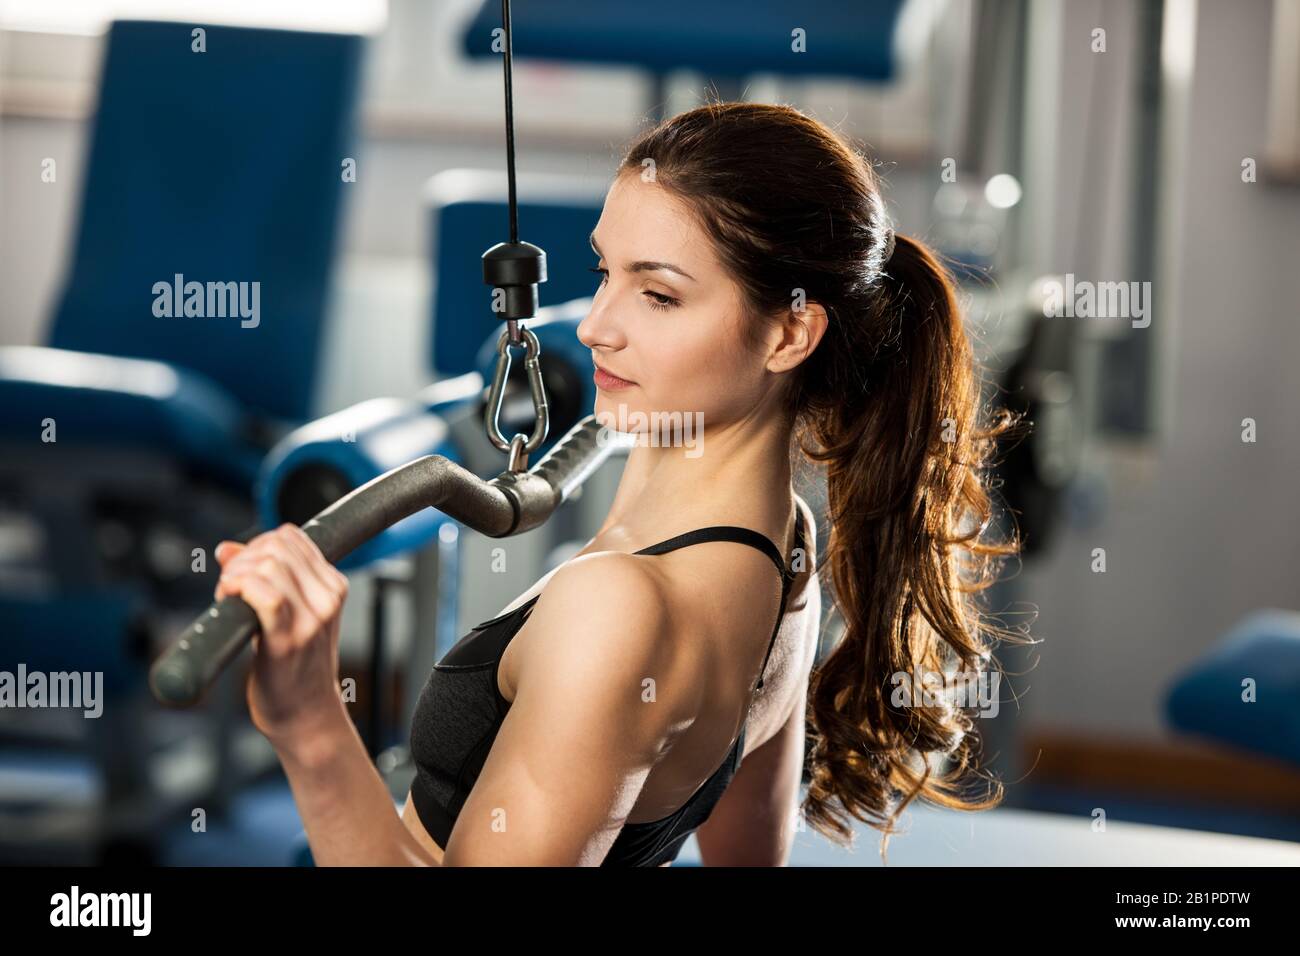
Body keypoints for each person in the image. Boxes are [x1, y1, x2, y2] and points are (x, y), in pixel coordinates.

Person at [214, 101, 1026, 866]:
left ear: (789, 334)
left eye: (659, 294)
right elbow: (748, 858)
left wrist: (311, 725)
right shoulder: (787, 554)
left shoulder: (618, 611)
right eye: (606, 271)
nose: (597, 325)